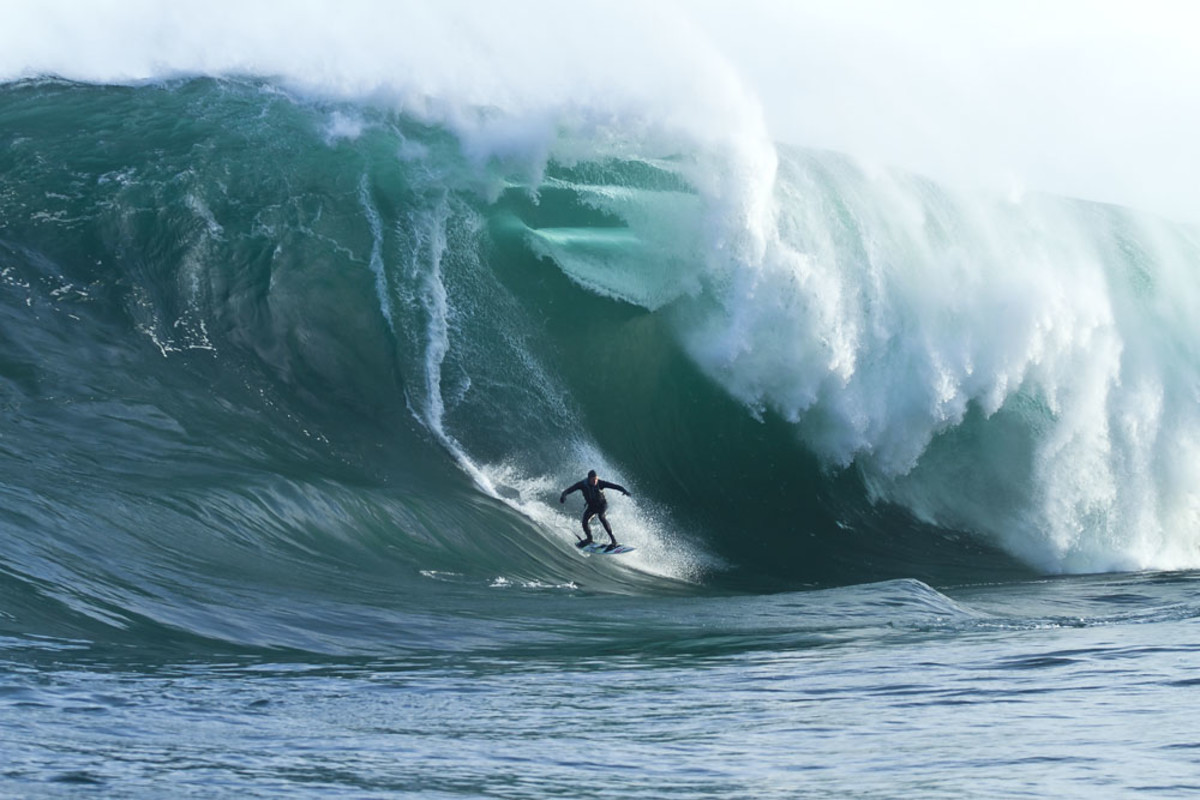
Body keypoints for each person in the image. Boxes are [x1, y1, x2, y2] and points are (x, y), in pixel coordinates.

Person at [559, 469, 630, 551]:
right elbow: (568, 490)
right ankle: (589, 539)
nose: (595, 481)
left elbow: (614, 486)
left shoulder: (600, 483)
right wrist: (563, 496)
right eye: (593, 479)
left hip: (602, 505)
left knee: (601, 517)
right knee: (584, 521)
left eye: (596, 479)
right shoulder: (582, 484)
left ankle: (614, 541)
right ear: (589, 479)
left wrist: (624, 490)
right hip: (592, 507)